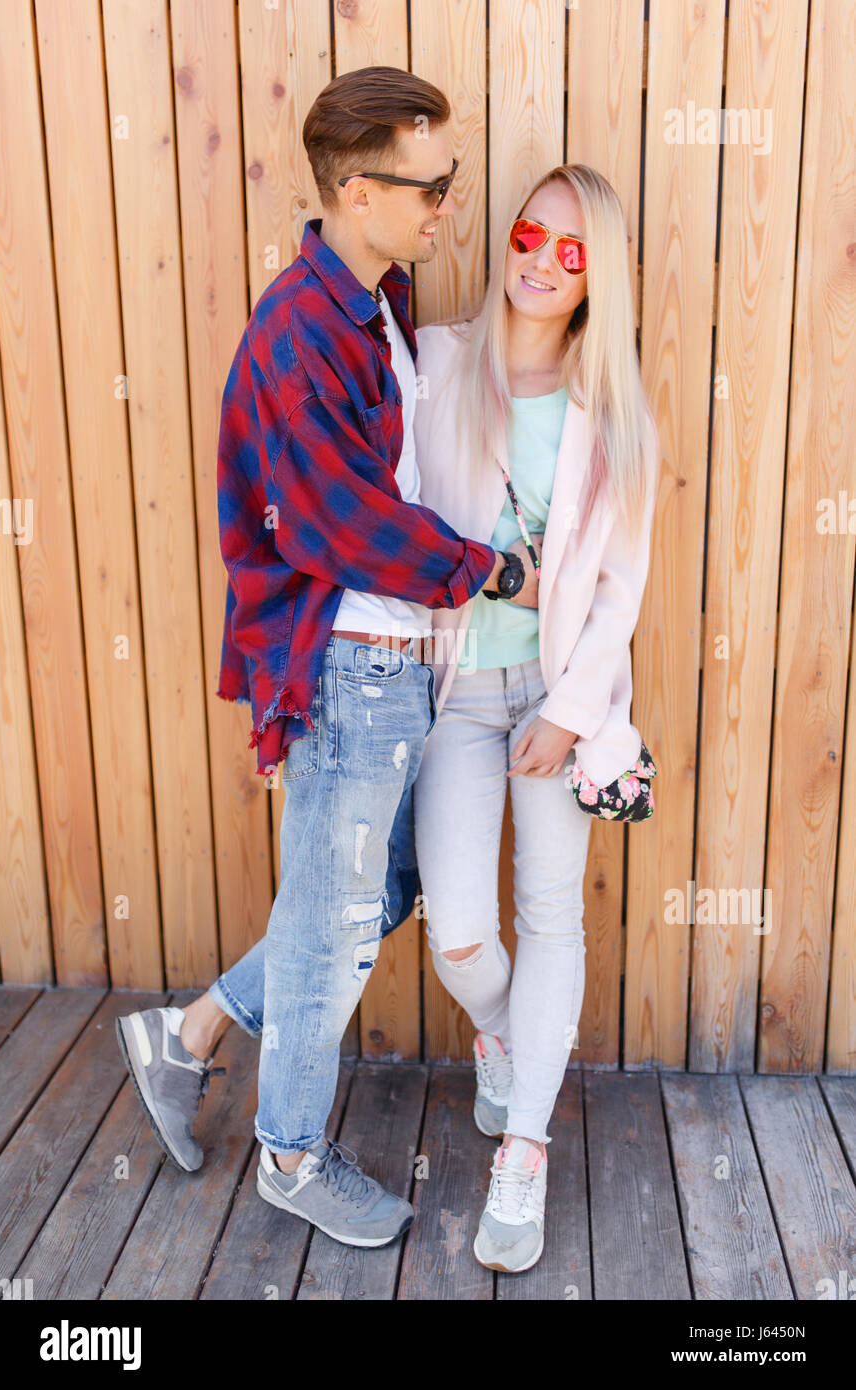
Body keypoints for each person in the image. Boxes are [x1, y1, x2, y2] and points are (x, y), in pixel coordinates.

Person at [115, 66, 539, 1251]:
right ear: (356, 191)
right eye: (430, 183)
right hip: (348, 665)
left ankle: (188, 1034)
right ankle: (291, 1154)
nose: (447, 202)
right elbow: (340, 521)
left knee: (363, 899)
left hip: (393, 663)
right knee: (333, 924)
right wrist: (485, 567)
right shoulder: (300, 331)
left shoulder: (379, 297)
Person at [410, 162, 660, 1272]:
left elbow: (619, 586)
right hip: (456, 693)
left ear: (596, 277)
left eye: (573, 252)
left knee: (551, 915)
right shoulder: (435, 361)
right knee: (458, 927)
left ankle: (523, 1147)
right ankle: (507, 1038)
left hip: (557, 704)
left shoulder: (612, 410)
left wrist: (566, 712)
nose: (543, 261)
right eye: (530, 234)